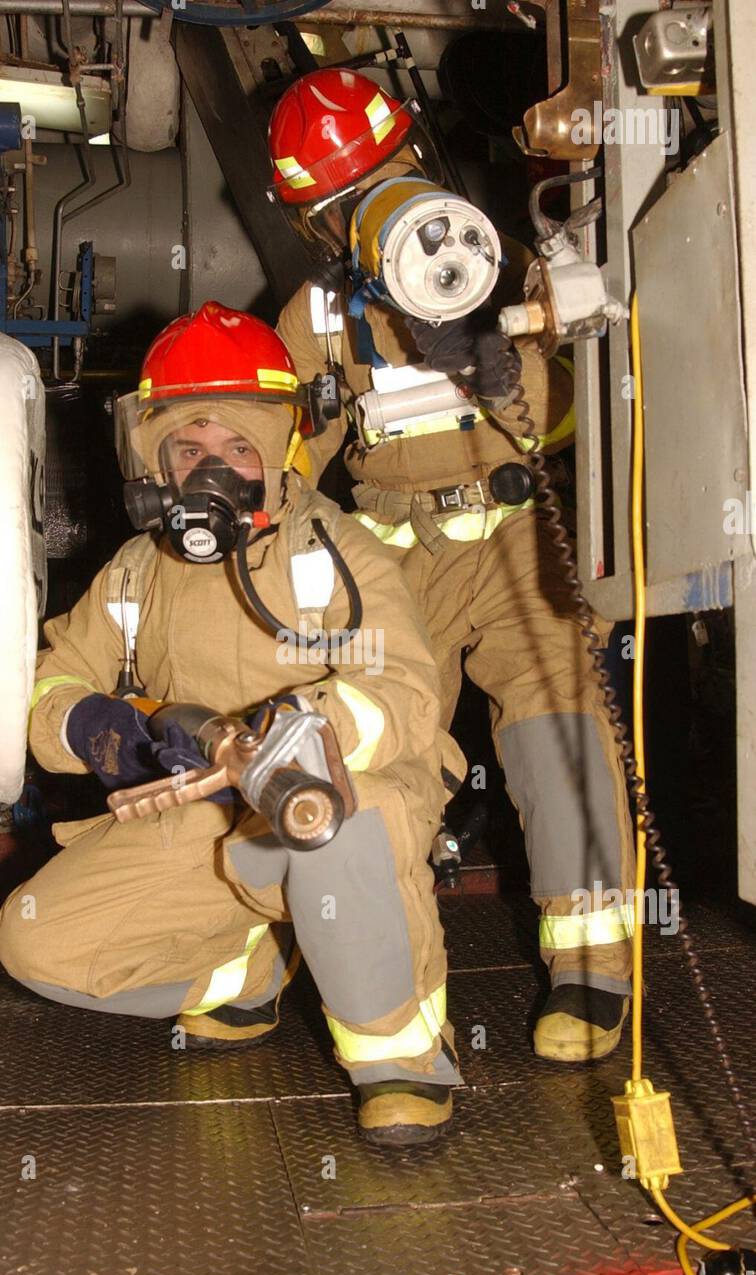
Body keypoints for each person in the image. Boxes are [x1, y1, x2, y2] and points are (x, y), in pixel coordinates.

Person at [0, 301, 467, 1147]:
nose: (210, 470)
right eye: (188, 450)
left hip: (339, 795)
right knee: (34, 944)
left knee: (328, 823)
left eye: (236, 449)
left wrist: (294, 731)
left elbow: (404, 691)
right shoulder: (135, 575)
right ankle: (248, 968)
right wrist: (97, 728)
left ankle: (397, 1057)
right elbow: (47, 684)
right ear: (153, 464)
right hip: (205, 809)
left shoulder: (335, 555)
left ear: (280, 453)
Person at [269, 70, 635, 1062]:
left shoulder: (509, 263)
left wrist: (519, 366)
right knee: (382, 747)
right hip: (398, 555)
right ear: (316, 221)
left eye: (385, 176)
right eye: (343, 201)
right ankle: (380, 996)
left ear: (419, 160)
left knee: (560, 717)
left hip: (519, 537)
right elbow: (285, 463)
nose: (373, 208)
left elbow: (578, 417)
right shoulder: (318, 313)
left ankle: (593, 966)